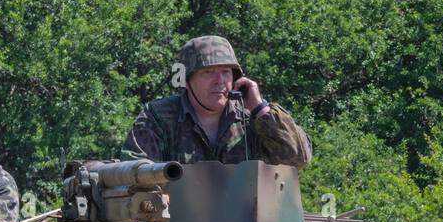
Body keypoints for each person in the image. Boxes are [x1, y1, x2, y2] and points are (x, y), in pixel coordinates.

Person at [121, 35, 312, 167]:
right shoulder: (159, 117)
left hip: (246, 221)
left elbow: (298, 159)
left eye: (225, 72)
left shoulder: (253, 118)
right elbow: (136, 168)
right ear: (187, 80)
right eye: (208, 72)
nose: (219, 81)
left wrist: (260, 109)